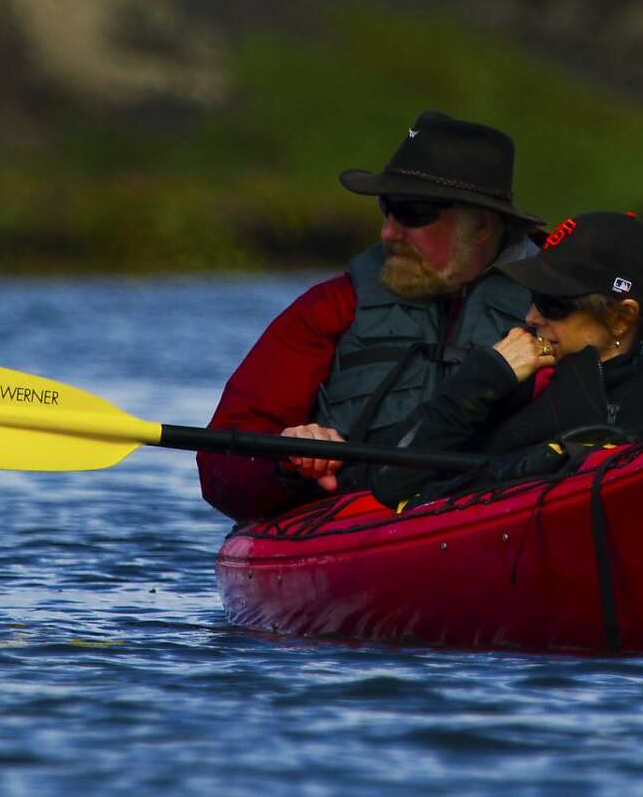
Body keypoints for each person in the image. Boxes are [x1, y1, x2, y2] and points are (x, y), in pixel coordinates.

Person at [198, 110, 544, 521]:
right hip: (352, 522)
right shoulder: (332, 307)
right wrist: (285, 459)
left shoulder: (558, 310)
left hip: (503, 516)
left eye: (413, 212)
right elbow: (220, 467)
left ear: (483, 226)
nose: (388, 232)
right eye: (387, 208)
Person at [359, 211, 643, 508]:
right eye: (533, 297)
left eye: (553, 304)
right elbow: (393, 479)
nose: (531, 318)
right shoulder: (513, 380)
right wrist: (482, 377)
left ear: (623, 317)